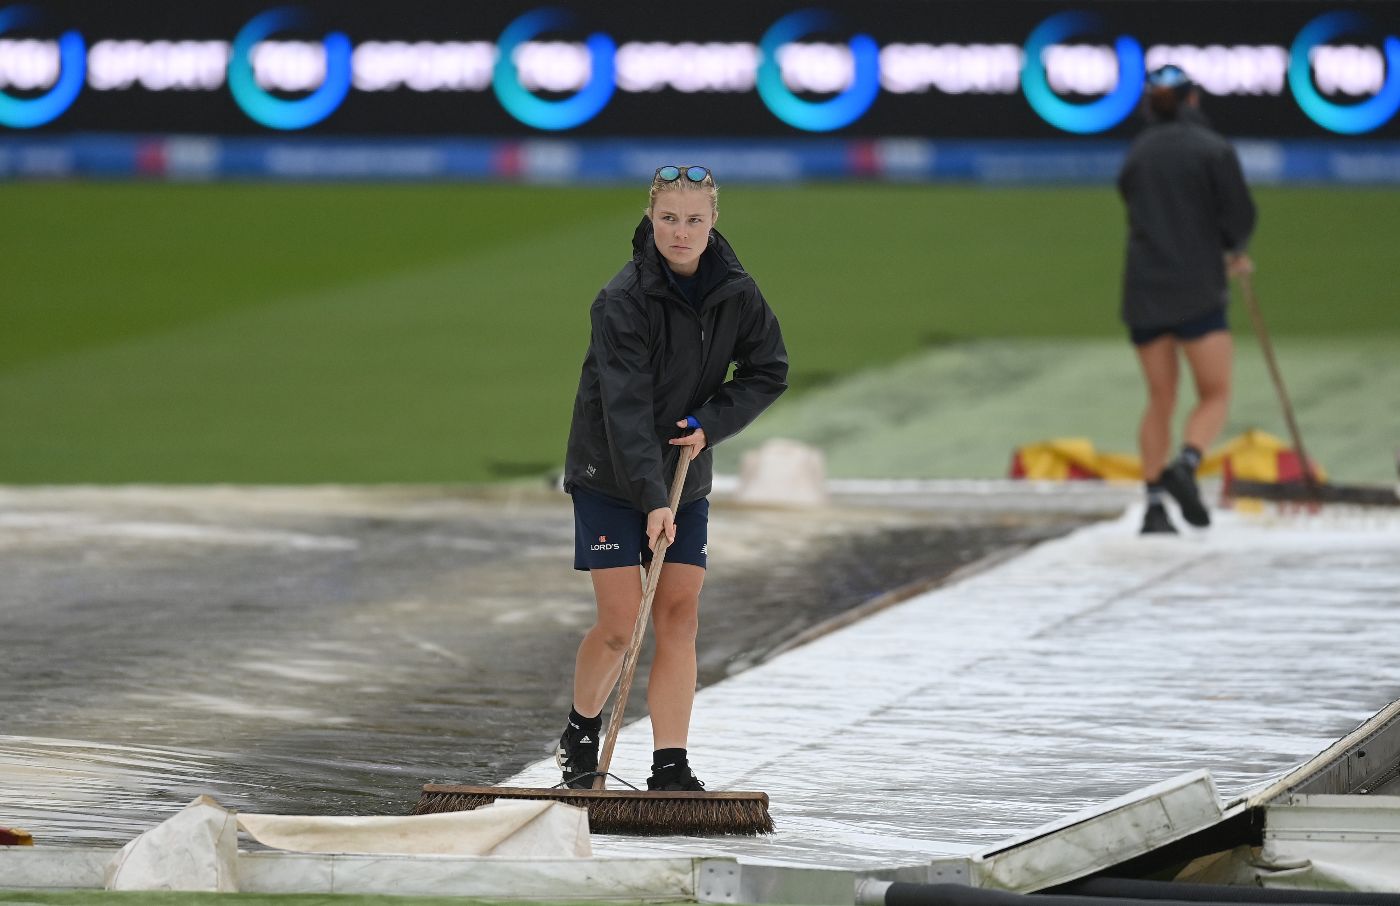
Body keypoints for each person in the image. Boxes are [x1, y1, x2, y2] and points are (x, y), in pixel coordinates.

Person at [556, 165, 788, 790]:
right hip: (611, 472)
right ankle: (581, 731)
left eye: (693, 220)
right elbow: (624, 409)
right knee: (620, 624)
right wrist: (651, 499)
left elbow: (769, 369)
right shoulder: (622, 301)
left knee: (679, 612)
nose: (680, 233)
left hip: (686, 470)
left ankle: (671, 763)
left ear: (714, 221)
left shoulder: (737, 292)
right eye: (668, 219)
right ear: (650, 219)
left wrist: (712, 422)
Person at [1117, 65, 1257, 535]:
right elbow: (1238, 214)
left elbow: (1130, 201)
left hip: (1144, 285)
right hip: (1197, 285)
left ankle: (1154, 504)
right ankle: (1187, 462)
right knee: (1214, 392)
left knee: (1159, 396)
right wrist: (1232, 251)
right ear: (1192, 99)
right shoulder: (1212, 149)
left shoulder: (1139, 152)